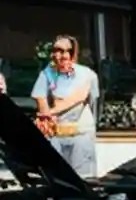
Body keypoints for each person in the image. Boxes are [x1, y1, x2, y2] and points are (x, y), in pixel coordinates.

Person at [31, 34, 100, 178]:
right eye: (58, 50)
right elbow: (41, 101)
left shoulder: (87, 74)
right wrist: (48, 115)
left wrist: (51, 111)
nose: (63, 55)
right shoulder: (46, 75)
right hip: (57, 136)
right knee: (58, 179)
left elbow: (85, 99)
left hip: (81, 135)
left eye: (68, 51)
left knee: (84, 178)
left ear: (74, 54)